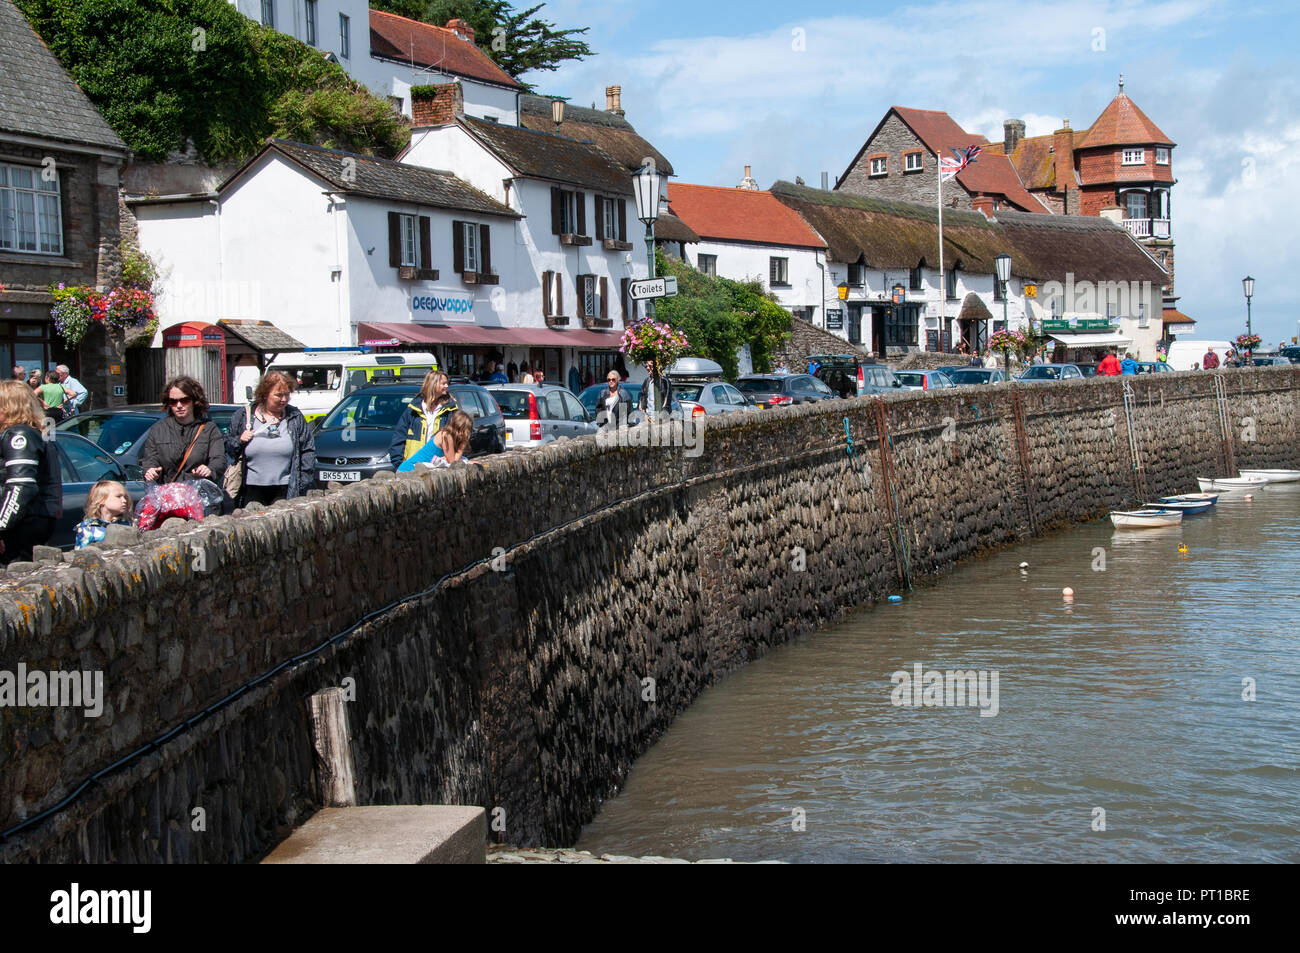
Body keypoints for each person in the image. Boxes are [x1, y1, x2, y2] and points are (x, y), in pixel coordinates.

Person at [226, 371, 316, 507]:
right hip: (251, 488)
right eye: (279, 395)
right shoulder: (243, 416)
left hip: (286, 487)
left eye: (287, 395)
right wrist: (240, 440)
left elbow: (307, 450)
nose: (284, 399)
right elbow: (228, 449)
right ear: (264, 394)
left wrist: (303, 482)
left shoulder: (295, 417)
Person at [0, 379, 61, 564]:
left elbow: (21, 486)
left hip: (23, 524)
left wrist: (1, 526)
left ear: (9, 407)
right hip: (31, 520)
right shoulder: (34, 433)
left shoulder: (19, 435)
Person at [137, 376, 227, 484]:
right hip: (169, 495)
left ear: (194, 401)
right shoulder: (158, 429)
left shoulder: (209, 429)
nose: (179, 405)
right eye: (173, 401)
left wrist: (210, 469)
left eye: (184, 400)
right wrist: (150, 470)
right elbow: (150, 458)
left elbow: (219, 460)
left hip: (198, 494)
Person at [388, 370, 458, 469]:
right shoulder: (413, 409)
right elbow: (399, 436)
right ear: (433, 384)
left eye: (447, 383)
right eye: (443, 383)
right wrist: (399, 463)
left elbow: (457, 438)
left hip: (438, 465)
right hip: (413, 465)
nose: (447, 386)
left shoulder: (450, 409)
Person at [397, 410, 476, 471]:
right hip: (408, 470)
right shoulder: (446, 435)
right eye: (467, 430)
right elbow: (454, 464)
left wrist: (466, 462)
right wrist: (461, 447)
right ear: (460, 428)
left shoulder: (448, 435)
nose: (467, 434)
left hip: (417, 470)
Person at [74, 479, 133, 548]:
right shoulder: (88, 529)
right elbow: (81, 554)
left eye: (125, 497)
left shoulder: (128, 524)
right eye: (118, 496)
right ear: (101, 500)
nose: (124, 500)